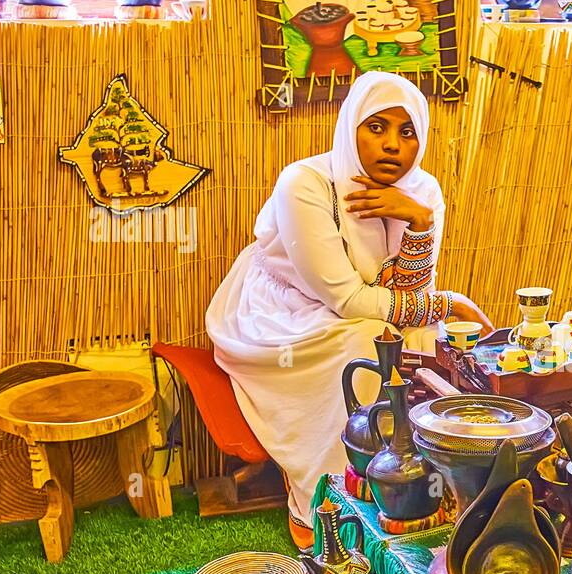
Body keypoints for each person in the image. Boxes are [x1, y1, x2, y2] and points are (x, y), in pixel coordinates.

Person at [207, 72, 492, 548]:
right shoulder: (305, 184)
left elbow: (410, 295)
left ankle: (409, 481)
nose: (391, 146)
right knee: (367, 342)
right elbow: (344, 299)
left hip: (372, 309)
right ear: (350, 127)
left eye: (407, 133)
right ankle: (328, 493)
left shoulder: (424, 193)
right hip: (282, 310)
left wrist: (417, 221)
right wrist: (449, 303)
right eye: (376, 127)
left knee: (423, 338)